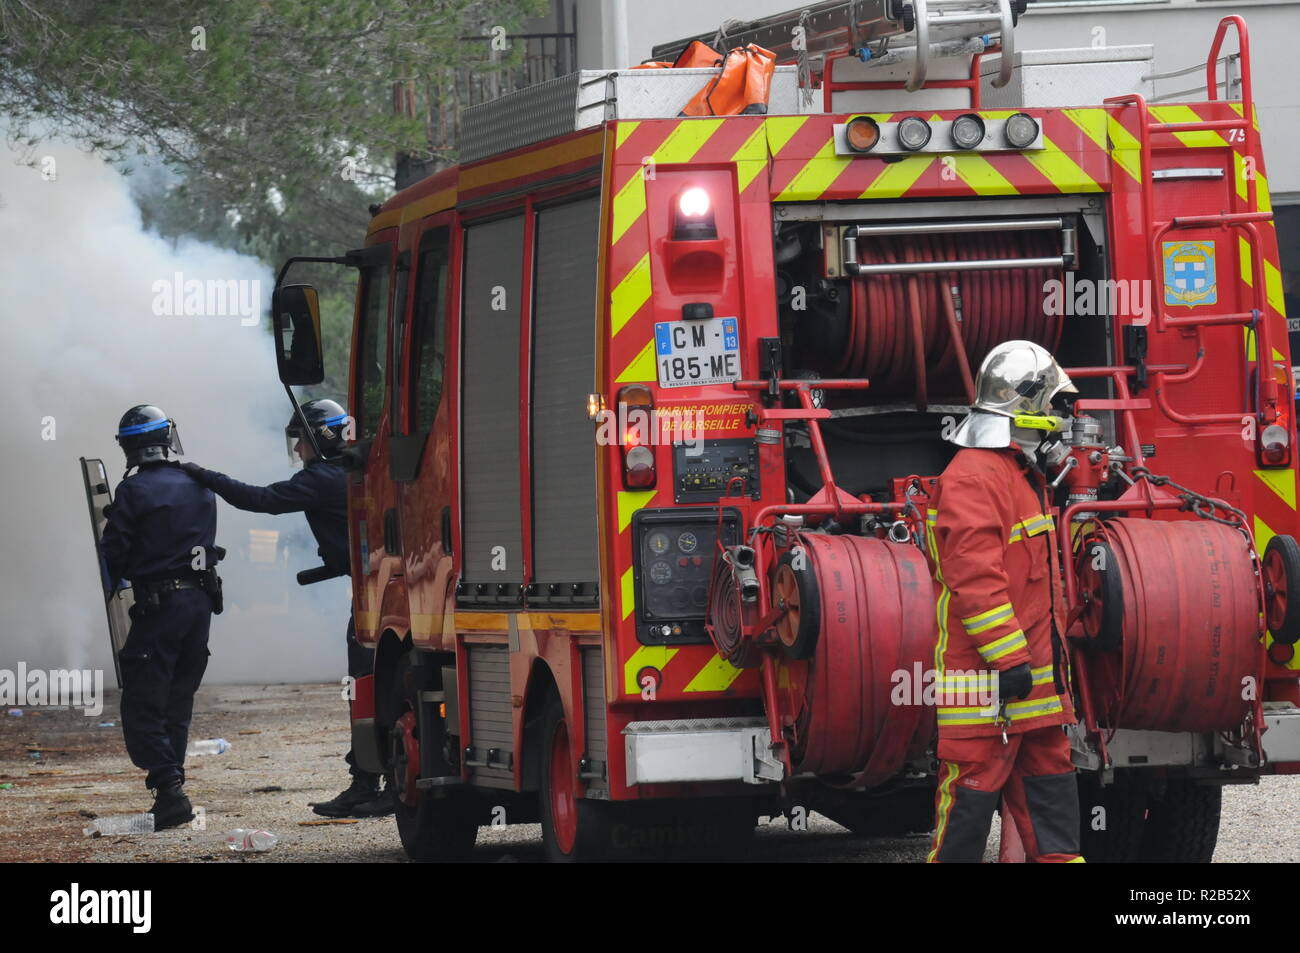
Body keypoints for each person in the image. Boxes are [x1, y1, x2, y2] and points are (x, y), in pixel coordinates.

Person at [180, 399, 392, 818]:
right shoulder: (358, 472)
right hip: (384, 589)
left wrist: (205, 476)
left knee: (368, 688)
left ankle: (375, 784)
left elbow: (259, 499)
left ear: (323, 438)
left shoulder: (323, 480)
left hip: (378, 597)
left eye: (302, 442)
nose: (297, 451)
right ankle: (374, 780)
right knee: (373, 686)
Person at [922, 340, 1084, 863]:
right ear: (1025, 405)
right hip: (986, 686)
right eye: (1055, 405)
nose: (1062, 418)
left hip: (1032, 691)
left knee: (1054, 815)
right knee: (967, 813)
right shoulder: (975, 475)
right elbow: (975, 578)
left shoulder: (1017, 475)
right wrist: (1009, 659)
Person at [100, 405, 222, 830]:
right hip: (200, 604)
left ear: (129, 447)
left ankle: (169, 790)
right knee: (177, 700)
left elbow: (114, 552)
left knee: (143, 700)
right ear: (167, 438)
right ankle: (173, 791)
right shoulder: (199, 482)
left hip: (160, 607)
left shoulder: (133, 492)